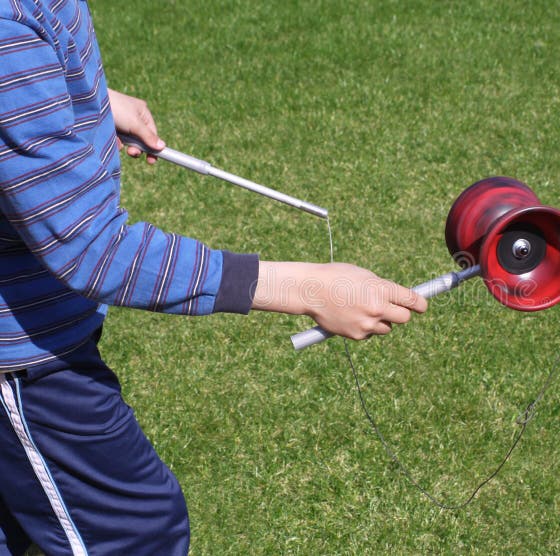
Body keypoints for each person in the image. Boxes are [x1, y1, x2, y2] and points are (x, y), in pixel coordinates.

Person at [0, 1, 427, 554]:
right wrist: (306, 288)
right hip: (23, 362)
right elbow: (91, 247)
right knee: (134, 533)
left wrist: (81, 104)